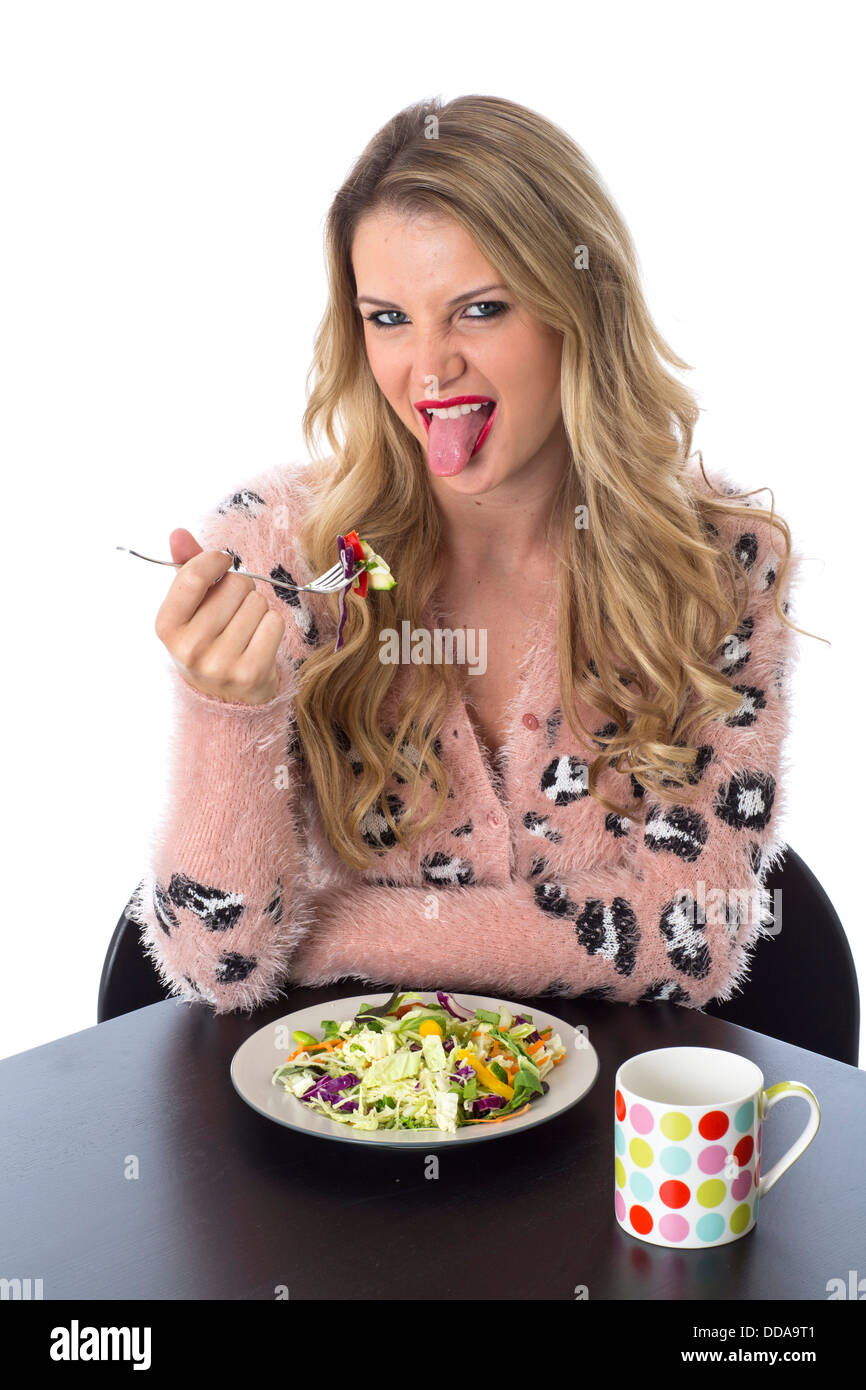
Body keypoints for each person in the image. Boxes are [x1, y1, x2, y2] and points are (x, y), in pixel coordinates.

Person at [129, 94, 812, 1016]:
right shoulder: (289, 553)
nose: (429, 368)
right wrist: (226, 713)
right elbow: (224, 956)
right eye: (388, 318)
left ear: (581, 309)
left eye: (480, 309)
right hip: (348, 1123)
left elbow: (686, 937)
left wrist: (327, 930)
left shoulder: (715, 567)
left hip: (602, 1140)